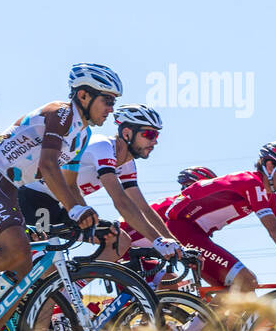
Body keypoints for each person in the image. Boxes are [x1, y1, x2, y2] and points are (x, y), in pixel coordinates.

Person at [0, 64, 119, 286]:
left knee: (25, 272)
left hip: (9, 187)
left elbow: (69, 185)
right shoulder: (62, 112)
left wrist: (88, 217)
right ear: (83, 95)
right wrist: (75, 210)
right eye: (107, 101)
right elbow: (48, 164)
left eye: (113, 102)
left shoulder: (82, 134)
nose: (111, 109)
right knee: (17, 252)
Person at [21, 104, 180, 262]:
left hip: (62, 206)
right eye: (149, 134)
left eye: (156, 136)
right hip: (34, 199)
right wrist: (157, 241)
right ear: (127, 133)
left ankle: (74, 284)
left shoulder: (127, 164)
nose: (154, 142)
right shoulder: (102, 146)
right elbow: (121, 202)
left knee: (119, 240)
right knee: (46, 264)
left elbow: (142, 207)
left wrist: (174, 244)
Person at [165, 142, 276, 293]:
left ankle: (202, 324)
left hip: (197, 234)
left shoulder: (270, 197)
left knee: (232, 296)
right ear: (270, 166)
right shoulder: (252, 183)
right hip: (183, 229)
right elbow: (274, 229)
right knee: (246, 281)